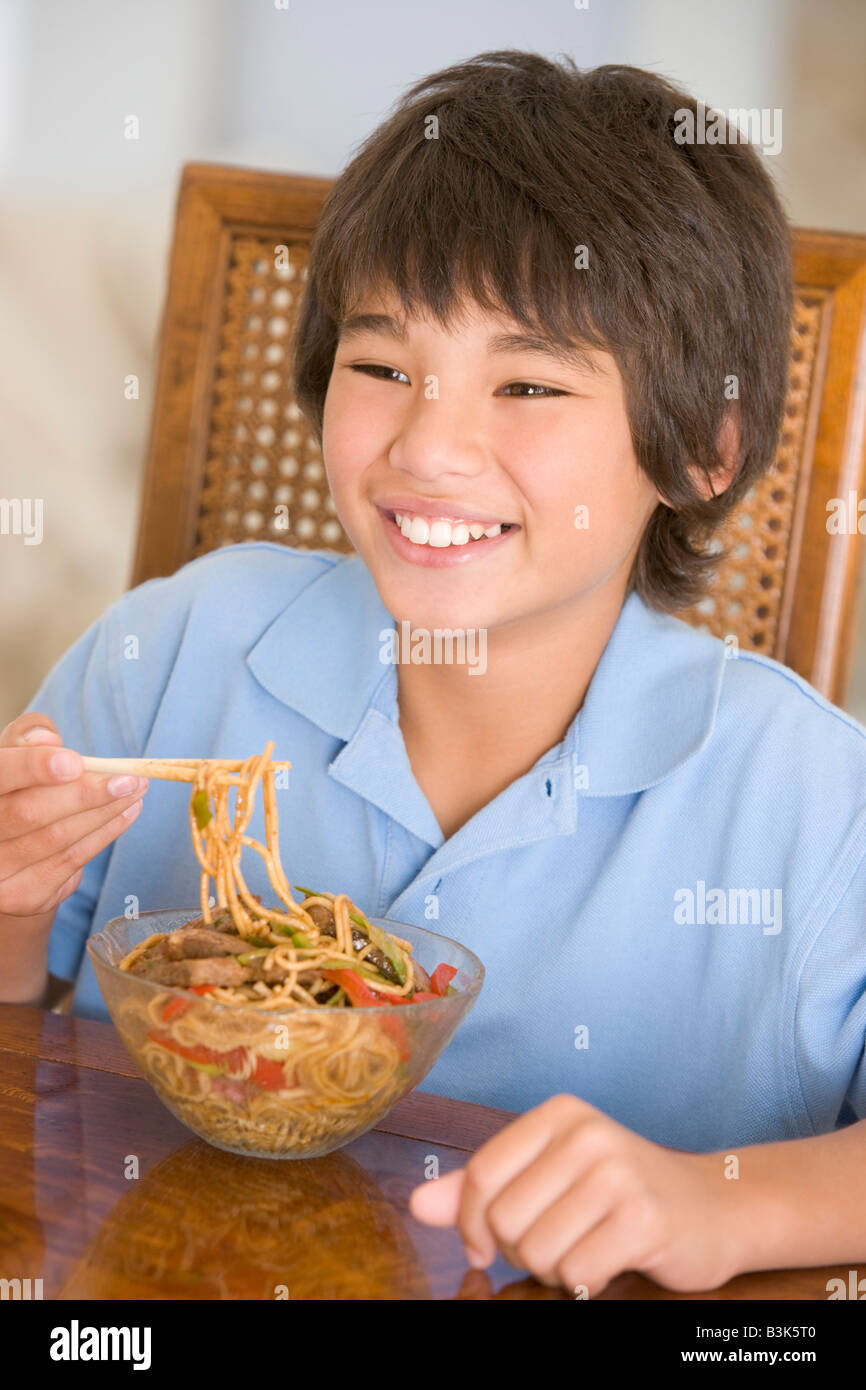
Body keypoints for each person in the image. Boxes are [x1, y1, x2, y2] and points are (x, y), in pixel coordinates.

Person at [3, 51, 865, 1295]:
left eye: (525, 383)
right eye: (383, 366)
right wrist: (13, 902)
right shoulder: (177, 647)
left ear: (702, 452)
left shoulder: (813, 806)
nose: (428, 444)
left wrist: (716, 1200)